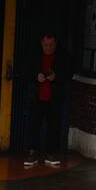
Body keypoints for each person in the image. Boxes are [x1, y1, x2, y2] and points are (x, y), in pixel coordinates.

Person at [22, 31, 70, 168]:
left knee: (54, 126)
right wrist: (36, 77)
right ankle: (33, 153)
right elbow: (26, 71)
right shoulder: (34, 56)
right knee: (33, 125)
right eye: (46, 45)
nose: (48, 48)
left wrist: (56, 77)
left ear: (55, 44)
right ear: (41, 44)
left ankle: (51, 153)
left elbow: (68, 73)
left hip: (54, 98)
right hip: (36, 97)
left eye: (51, 45)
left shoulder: (62, 57)